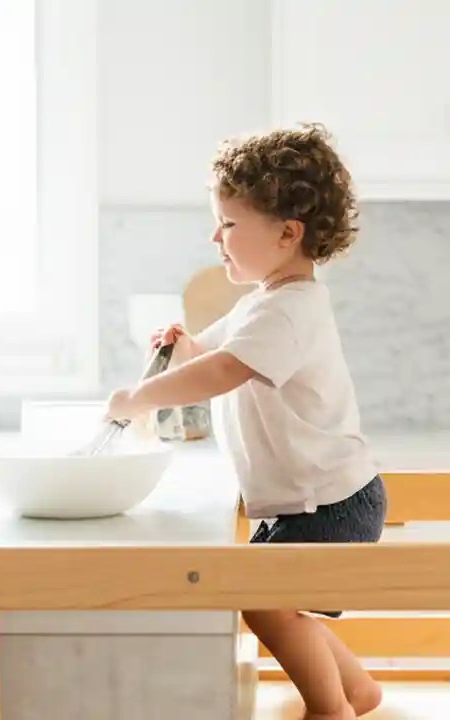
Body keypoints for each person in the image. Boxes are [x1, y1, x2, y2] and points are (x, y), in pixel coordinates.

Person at [104, 123, 387, 719]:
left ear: (287, 233)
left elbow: (222, 374)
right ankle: (356, 692)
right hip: (314, 497)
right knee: (284, 605)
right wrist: (182, 347)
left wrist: (140, 399)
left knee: (266, 604)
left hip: (326, 502)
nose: (215, 236)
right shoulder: (264, 301)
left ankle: (330, 708)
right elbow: (212, 358)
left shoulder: (289, 311)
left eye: (229, 223)